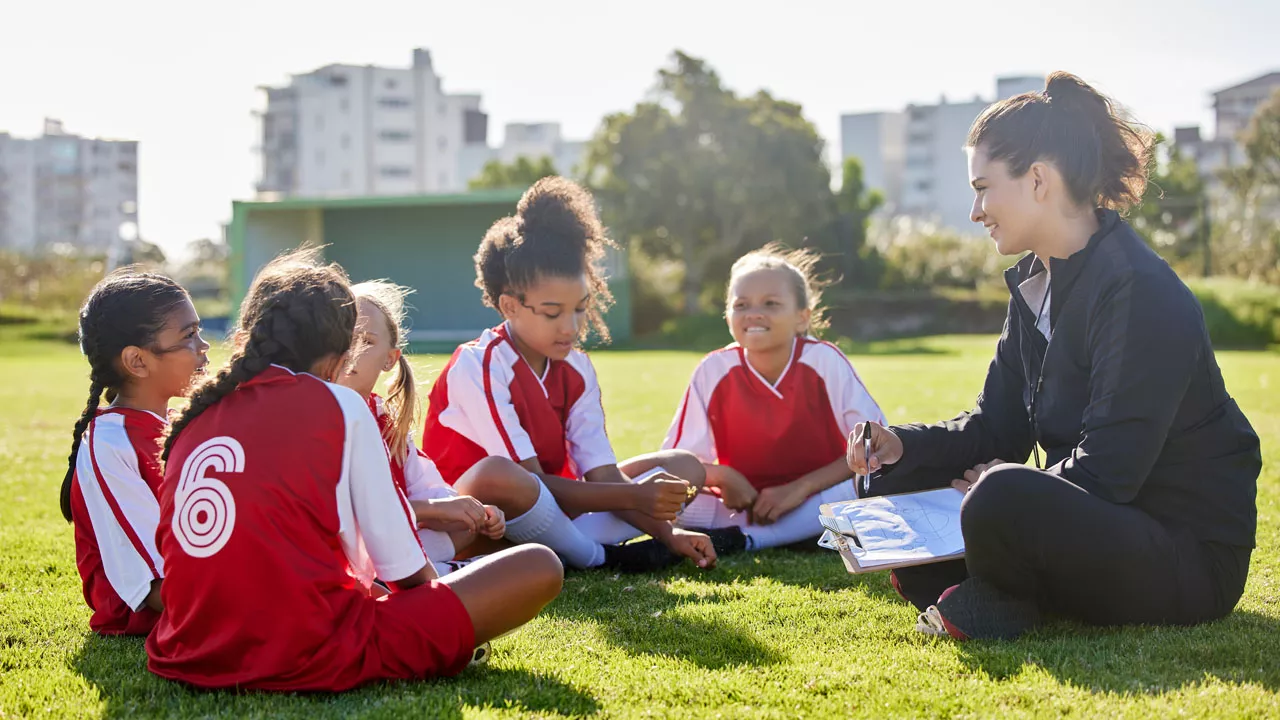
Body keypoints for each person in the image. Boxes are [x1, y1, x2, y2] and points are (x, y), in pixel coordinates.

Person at [847, 72, 1261, 641]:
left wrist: (1004, 483)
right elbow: (997, 426)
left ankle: (995, 592)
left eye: (983, 188)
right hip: (1099, 527)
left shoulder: (1139, 289)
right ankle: (994, 588)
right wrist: (901, 445)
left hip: (1183, 553)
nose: (976, 211)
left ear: (1038, 180)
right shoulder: (1037, 283)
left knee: (1000, 495)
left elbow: (1109, 472)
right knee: (894, 477)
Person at [146, 249, 562, 691]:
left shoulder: (193, 417)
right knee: (538, 565)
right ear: (342, 352)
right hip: (304, 651)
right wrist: (445, 618)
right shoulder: (340, 405)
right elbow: (405, 571)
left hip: (187, 650)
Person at [422, 176, 716, 572]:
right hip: (478, 521)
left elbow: (601, 473)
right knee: (500, 476)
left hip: (550, 513)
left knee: (684, 468)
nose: (571, 327)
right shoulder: (479, 364)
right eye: (552, 312)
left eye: (580, 308)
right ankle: (597, 557)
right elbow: (527, 481)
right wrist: (635, 497)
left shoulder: (577, 367)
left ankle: (561, 547)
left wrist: (669, 533)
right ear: (509, 306)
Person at [663, 243, 885, 555]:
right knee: (669, 494)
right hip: (746, 505)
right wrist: (724, 477)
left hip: (820, 496)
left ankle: (751, 540)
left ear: (802, 317)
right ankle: (806, 534)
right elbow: (676, 464)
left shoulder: (824, 360)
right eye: (741, 305)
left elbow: (874, 446)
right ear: (727, 316)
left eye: (771, 303)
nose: (754, 313)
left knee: (875, 481)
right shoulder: (713, 369)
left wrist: (800, 488)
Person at [61, 270, 209, 635]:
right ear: (137, 361)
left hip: (204, 585)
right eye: (188, 335)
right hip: (156, 611)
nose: (204, 346)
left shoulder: (182, 423)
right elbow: (156, 586)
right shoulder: (110, 443)